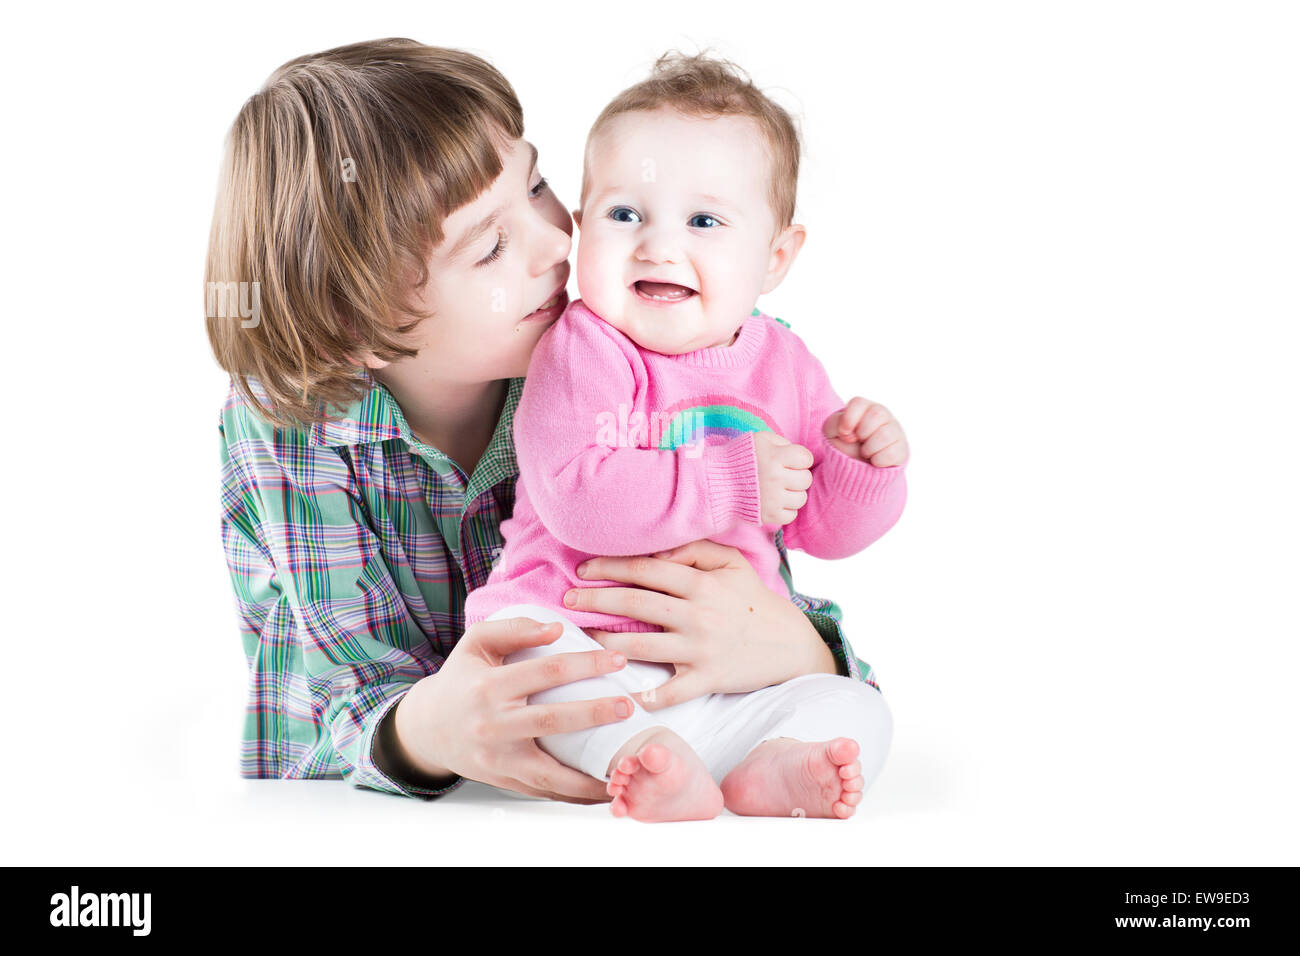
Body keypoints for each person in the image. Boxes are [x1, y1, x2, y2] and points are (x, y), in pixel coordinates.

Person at [206, 37, 884, 807]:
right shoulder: (292, 421)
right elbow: (347, 686)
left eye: (537, 187)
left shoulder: (634, 346)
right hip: (367, 811)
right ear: (351, 322)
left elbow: (735, 564)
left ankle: (724, 767)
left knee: (846, 712)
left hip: (655, 716)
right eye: (490, 246)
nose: (559, 241)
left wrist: (802, 647)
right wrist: (429, 731)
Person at [462, 52, 909, 821]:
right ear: (582, 225)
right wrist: (728, 482)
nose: (659, 247)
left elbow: (820, 527)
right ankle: (642, 761)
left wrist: (858, 467)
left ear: (774, 258)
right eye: (625, 214)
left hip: (726, 670)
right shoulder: (583, 347)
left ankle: (769, 766)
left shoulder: (783, 363)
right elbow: (575, 496)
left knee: (861, 709)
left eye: (704, 222)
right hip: (579, 639)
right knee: (524, 654)